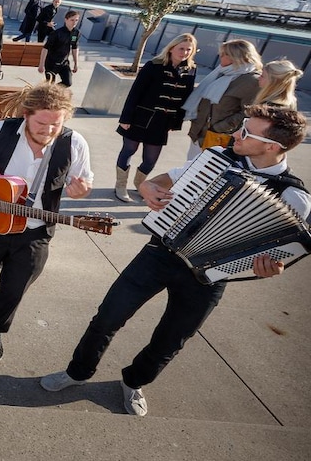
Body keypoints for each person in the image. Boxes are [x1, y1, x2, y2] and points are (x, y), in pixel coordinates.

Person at [41, 105, 307, 416]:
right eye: (241, 125)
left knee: (171, 340)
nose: (236, 133)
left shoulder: (294, 197)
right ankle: (78, 372)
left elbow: (280, 255)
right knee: (107, 317)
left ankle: (134, 381)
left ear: (273, 147)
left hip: (209, 275)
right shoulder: (217, 157)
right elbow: (161, 181)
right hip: (160, 252)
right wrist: (148, 187)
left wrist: (270, 268)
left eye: (246, 132)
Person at [0, 83, 93, 360]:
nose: (49, 131)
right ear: (26, 114)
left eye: (56, 124)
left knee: (15, 288)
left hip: (35, 231)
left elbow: (84, 183)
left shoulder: (74, 143)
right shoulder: (0, 131)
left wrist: (81, 189)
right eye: (42, 122)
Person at [113, 34, 198, 202]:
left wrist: (176, 122)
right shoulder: (154, 65)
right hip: (139, 117)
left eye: (189, 49)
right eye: (181, 48)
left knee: (150, 160)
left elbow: (185, 98)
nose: (185, 52)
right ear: (172, 47)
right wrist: (126, 118)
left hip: (162, 122)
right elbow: (135, 93)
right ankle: (120, 186)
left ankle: (140, 184)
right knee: (128, 150)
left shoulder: (191, 70)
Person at [183, 39, 261, 158]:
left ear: (237, 57)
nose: (220, 56)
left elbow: (248, 112)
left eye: (225, 54)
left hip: (220, 137)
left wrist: (220, 127)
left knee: (205, 173)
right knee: (189, 170)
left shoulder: (251, 81)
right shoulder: (220, 72)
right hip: (200, 133)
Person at [38, 10, 81, 87]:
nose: (74, 22)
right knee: (49, 85)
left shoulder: (76, 33)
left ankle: (54, 90)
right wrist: (41, 64)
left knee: (68, 83)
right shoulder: (56, 33)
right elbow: (45, 48)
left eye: (76, 20)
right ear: (66, 20)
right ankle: (48, 91)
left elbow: (75, 48)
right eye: (72, 20)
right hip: (52, 63)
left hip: (64, 63)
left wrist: (76, 63)